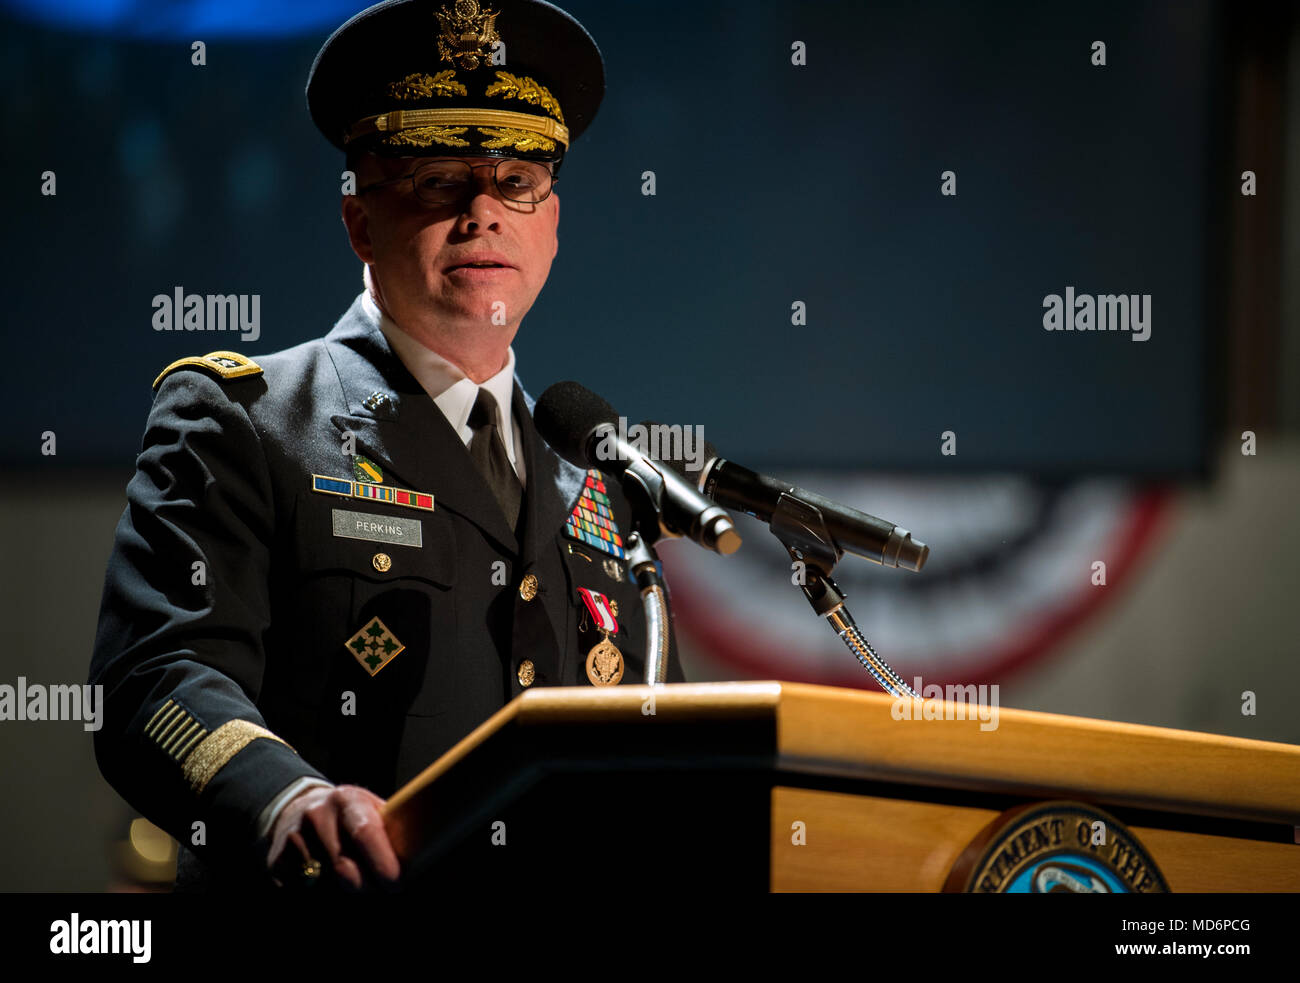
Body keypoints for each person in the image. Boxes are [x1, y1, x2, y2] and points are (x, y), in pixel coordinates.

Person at [89, 0, 683, 892]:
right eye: (440, 177)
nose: (483, 210)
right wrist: (283, 801)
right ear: (360, 219)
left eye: (516, 180)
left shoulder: (593, 473)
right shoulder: (244, 420)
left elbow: (678, 750)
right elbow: (155, 679)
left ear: (551, 225)